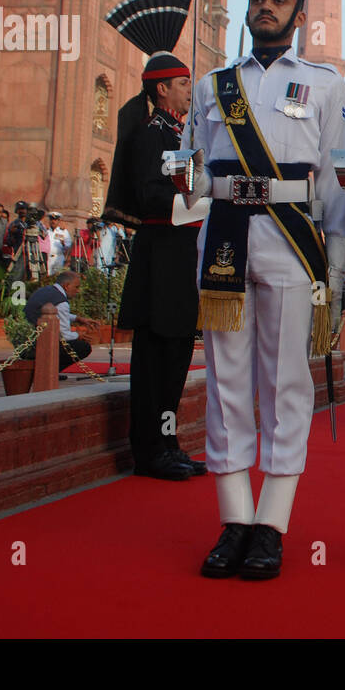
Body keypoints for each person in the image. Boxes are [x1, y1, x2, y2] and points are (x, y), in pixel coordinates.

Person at [181, 0, 345, 580]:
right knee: (226, 385)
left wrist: (335, 264)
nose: (265, 7)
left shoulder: (326, 85)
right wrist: (181, 181)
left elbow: (337, 181)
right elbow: (198, 174)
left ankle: (272, 523)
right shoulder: (212, 84)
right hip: (225, 234)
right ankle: (233, 519)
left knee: (284, 385)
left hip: (292, 241)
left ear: (299, 14)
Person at [114, 51, 209, 483]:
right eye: (184, 83)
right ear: (162, 89)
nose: (190, 90)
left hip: (180, 256)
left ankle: (169, 444)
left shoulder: (179, 133)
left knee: (176, 360)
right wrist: (203, 206)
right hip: (160, 259)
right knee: (155, 363)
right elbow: (150, 196)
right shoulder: (153, 134)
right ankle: (150, 451)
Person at [19, 271, 95, 372]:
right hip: (37, 344)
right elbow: (64, 336)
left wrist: (77, 319)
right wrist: (78, 335)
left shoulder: (45, 290)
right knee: (83, 347)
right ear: (67, 286)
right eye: (76, 287)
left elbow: (53, 313)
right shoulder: (61, 302)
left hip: (23, 341)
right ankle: (50, 372)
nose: (78, 291)